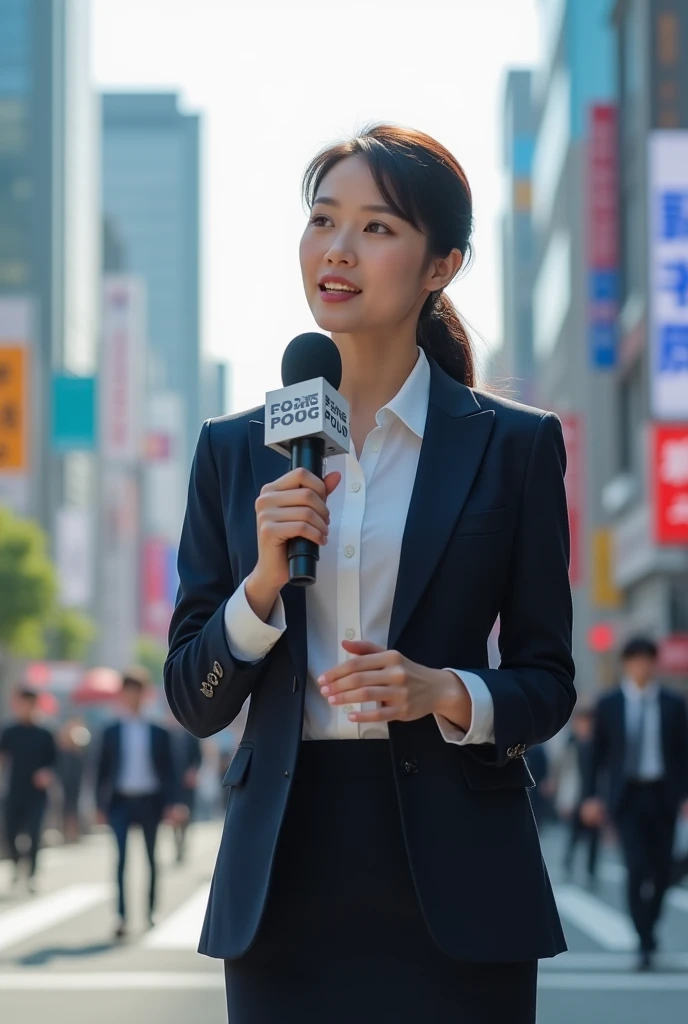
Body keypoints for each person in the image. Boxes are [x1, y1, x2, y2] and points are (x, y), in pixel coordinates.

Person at [164, 124, 576, 1024]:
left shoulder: (515, 446)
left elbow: (548, 682)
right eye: (322, 220)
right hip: (284, 873)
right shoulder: (234, 451)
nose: (338, 250)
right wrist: (262, 586)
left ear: (442, 265)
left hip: (462, 873)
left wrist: (447, 690)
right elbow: (194, 699)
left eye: (378, 228)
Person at [582, 637, 688, 970]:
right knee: (636, 866)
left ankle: (650, 926)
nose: (641, 667)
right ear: (626, 664)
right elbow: (595, 756)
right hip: (626, 797)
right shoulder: (609, 703)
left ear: (654, 664)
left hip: (663, 794)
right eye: (635, 660)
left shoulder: (673, 703)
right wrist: (590, 797)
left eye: (647, 660)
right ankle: (643, 940)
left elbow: (685, 753)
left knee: (661, 870)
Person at [96, 667, 185, 939]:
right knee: (121, 859)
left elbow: (171, 770)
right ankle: (121, 915)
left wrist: (173, 803)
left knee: (151, 857)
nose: (132, 697)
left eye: (137, 691)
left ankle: (150, 911)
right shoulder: (111, 730)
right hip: (121, 801)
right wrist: (99, 806)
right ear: (122, 695)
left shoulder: (159, 731)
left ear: (145, 695)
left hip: (150, 801)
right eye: (128, 692)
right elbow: (101, 770)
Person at [0, 688, 57, 893]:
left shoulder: (45, 733)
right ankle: (16, 865)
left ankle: (32, 873)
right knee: (10, 832)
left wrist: (46, 773)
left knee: (34, 832)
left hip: (37, 794)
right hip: (13, 791)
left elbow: (54, 761)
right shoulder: (9, 731)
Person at [562, 706, 600, 885]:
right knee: (573, 834)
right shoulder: (572, 744)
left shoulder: (597, 744)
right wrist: (565, 800)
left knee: (594, 837)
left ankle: (591, 871)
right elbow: (566, 773)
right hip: (576, 796)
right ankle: (567, 865)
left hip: (592, 796)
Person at [167, 713, 202, 863]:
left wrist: (193, 771)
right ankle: (177, 845)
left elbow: (198, 758)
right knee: (175, 816)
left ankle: (184, 842)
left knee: (188, 815)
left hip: (188, 784)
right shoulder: (168, 737)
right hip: (174, 784)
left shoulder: (191, 737)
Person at [56, 717, 91, 843]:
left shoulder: (79, 743)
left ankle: (75, 831)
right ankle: (66, 832)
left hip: (76, 781)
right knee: (65, 807)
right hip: (65, 781)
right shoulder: (62, 748)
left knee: (74, 807)